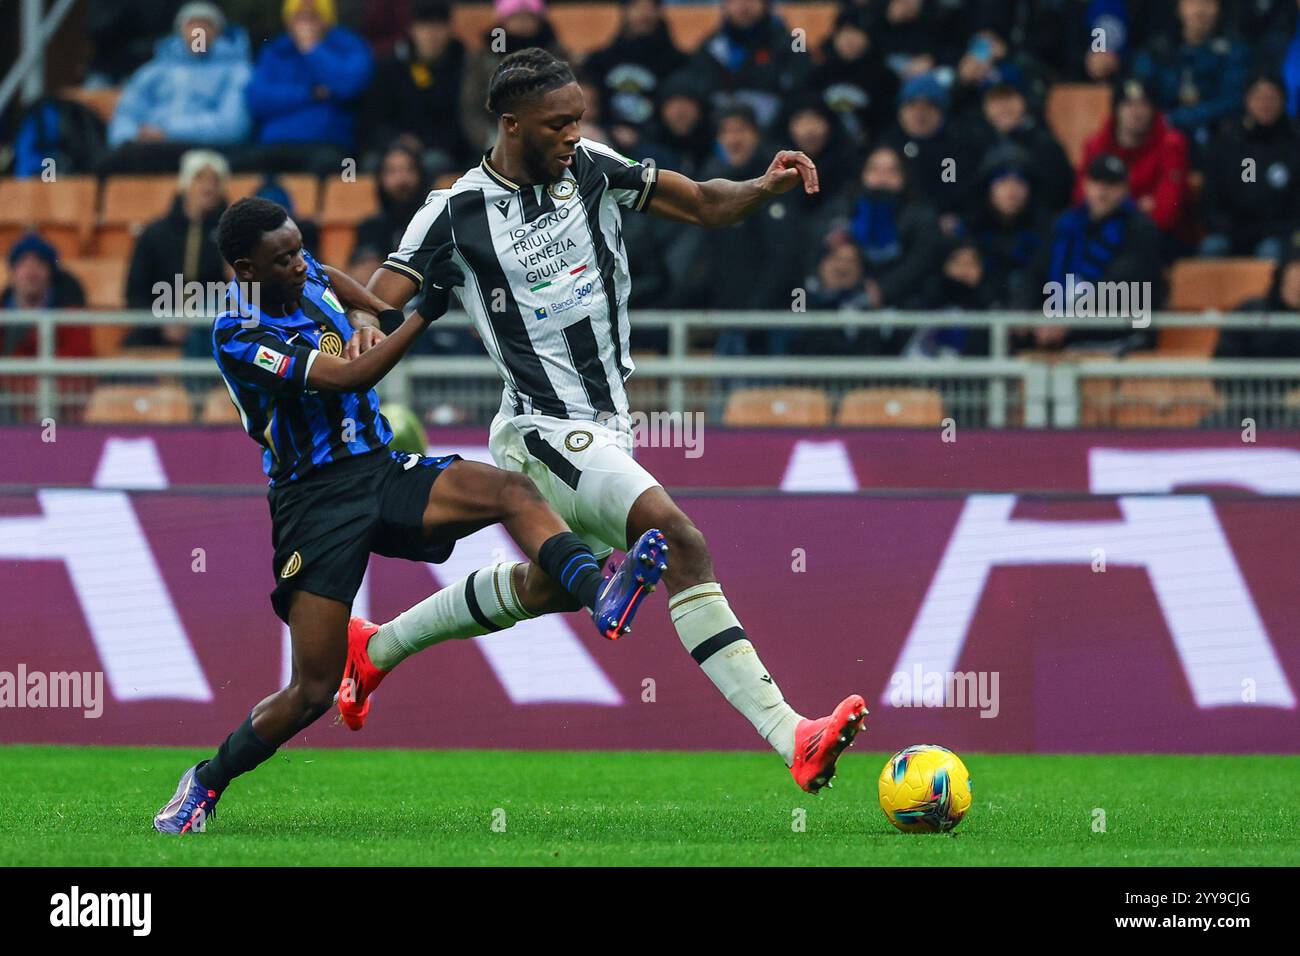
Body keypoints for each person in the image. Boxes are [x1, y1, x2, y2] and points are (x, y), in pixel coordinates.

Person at [362, 47, 866, 793]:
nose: (573, 133)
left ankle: (374, 650)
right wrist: (362, 327)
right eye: (558, 123)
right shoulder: (455, 212)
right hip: (537, 429)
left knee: (549, 587)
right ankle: (793, 733)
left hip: (609, 424)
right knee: (680, 538)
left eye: (578, 120)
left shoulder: (591, 167)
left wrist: (765, 183)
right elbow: (383, 292)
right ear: (512, 124)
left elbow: (703, 202)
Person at [152, 197, 668, 834]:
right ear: (243, 269)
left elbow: (352, 292)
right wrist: (422, 313)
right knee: (312, 691)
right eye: (281, 258)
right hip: (314, 505)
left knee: (510, 491)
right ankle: (205, 781)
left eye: (298, 247)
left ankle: (601, 595)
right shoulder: (238, 333)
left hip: (378, 467)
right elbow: (346, 379)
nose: (298, 262)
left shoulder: (302, 269)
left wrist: (368, 312)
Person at [1017, 153, 1161, 354]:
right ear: (1086, 185)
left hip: (1117, 331)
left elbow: (1121, 285)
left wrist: (1070, 320)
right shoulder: (1065, 224)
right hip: (1059, 328)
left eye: (1112, 184)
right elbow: (1035, 271)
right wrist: (1024, 314)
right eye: (1097, 182)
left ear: (1125, 189)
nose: (1102, 191)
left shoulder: (1140, 228)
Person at [99, 1, 252, 174]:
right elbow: (127, 112)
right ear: (180, 30)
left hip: (202, 149)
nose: (198, 32)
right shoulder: (154, 70)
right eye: (191, 24)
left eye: (205, 24)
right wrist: (129, 137)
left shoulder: (236, 71)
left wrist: (168, 132)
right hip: (145, 149)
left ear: (217, 31)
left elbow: (232, 126)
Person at [241, 0, 374, 175]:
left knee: (328, 165)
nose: (305, 25)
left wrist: (312, 49)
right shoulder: (275, 50)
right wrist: (310, 93)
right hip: (274, 143)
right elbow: (256, 98)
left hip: (326, 143)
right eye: (299, 17)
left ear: (327, 19)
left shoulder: (348, 45)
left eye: (312, 17)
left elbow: (348, 85)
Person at [123, 149, 230, 351]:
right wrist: (163, 323)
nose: (208, 187)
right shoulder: (155, 234)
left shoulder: (233, 236)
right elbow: (135, 293)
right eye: (200, 178)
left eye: (215, 180)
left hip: (211, 331)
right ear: (185, 184)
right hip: (157, 330)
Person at [361, 0, 470, 173]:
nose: (432, 34)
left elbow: (464, 123)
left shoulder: (465, 66)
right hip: (391, 148)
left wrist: (423, 143)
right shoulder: (389, 67)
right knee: (372, 164)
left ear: (450, 29)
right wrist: (397, 142)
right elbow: (371, 121)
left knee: (435, 162)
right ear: (412, 29)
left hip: (443, 150)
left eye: (439, 26)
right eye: (425, 26)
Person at [1199, 74, 1300, 259]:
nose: (1265, 104)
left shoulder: (1294, 142)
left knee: (1271, 251)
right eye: (1259, 97)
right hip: (1231, 231)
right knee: (1212, 248)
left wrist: (1276, 229)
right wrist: (1229, 227)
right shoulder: (1227, 142)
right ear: (1247, 100)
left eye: (1271, 97)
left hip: (1276, 234)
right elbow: (1211, 197)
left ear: (1283, 101)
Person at [1075, 76, 1189, 238]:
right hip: (1101, 232)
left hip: (1151, 237)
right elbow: (1081, 198)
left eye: (1143, 104)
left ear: (1153, 110)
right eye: (1128, 105)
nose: (1136, 113)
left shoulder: (1171, 145)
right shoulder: (1096, 145)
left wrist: (1111, 202)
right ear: (1116, 110)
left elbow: (1167, 211)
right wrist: (1134, 207)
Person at [0, 233, 90, 357]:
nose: (31, 272)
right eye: (23, 264)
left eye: (40, 263)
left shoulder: (71, 318)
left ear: (51, 273)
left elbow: (76, 367)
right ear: (12, 273)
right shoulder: (3, 313)